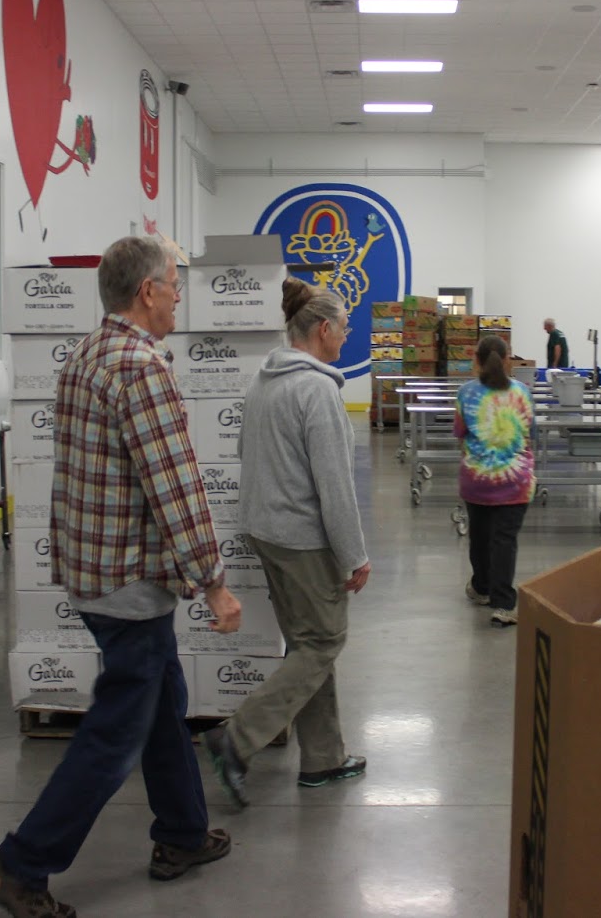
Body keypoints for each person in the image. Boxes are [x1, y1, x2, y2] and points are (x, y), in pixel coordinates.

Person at [0, 236, 243, 918]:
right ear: (147, 291)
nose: (180, 294)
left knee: (161, 701)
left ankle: (181, 832)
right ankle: (19, 864)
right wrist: (213, 581)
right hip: (128, 582)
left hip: (93, 571)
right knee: (116, 732)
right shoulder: (140, 367)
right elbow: (175, 488)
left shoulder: (89, 353)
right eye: (175, 283)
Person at [202, 277, 371, 807]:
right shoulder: (317, 389)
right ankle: (237, 738)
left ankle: (323, 759)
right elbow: (335, 487)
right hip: (302, 538)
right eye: (343, 329)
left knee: (307, 644)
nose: (346, 337)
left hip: (265, 529)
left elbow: (242, 449)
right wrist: (355, 556)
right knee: (323, 642)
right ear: (323, 329)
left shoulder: (263, 381)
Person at [455, 334, 536, 627]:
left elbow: (460, 434)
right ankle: (503, 604)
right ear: (507, 359)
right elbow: (530, 432)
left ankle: (481, 587)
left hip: (477, 479)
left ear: (475, 360)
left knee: (479, 537)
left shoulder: (465, 393)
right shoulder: (523, 392)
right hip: (515, 480)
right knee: (504, 540)